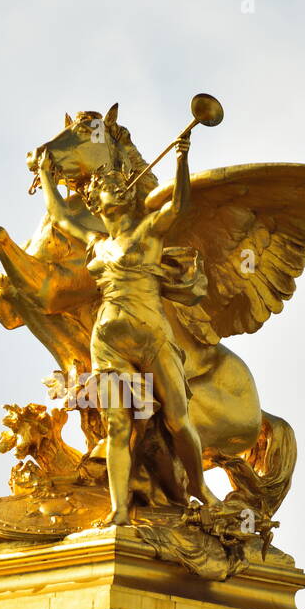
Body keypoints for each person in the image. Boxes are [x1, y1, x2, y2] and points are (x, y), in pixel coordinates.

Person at [38, 137, 213, 525]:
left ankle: (198, 489)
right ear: (97, 205)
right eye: (105, 188)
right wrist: (45, 174)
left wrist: (183, 159)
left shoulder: (149, 230)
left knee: (177, 420)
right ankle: (118, 510)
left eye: (120, 185)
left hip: (152, 335)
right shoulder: (97, 243)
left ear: (130, 197)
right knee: (117, 424)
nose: (114, 189)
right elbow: (61, 217)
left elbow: (180, 205)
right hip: (108, 342)